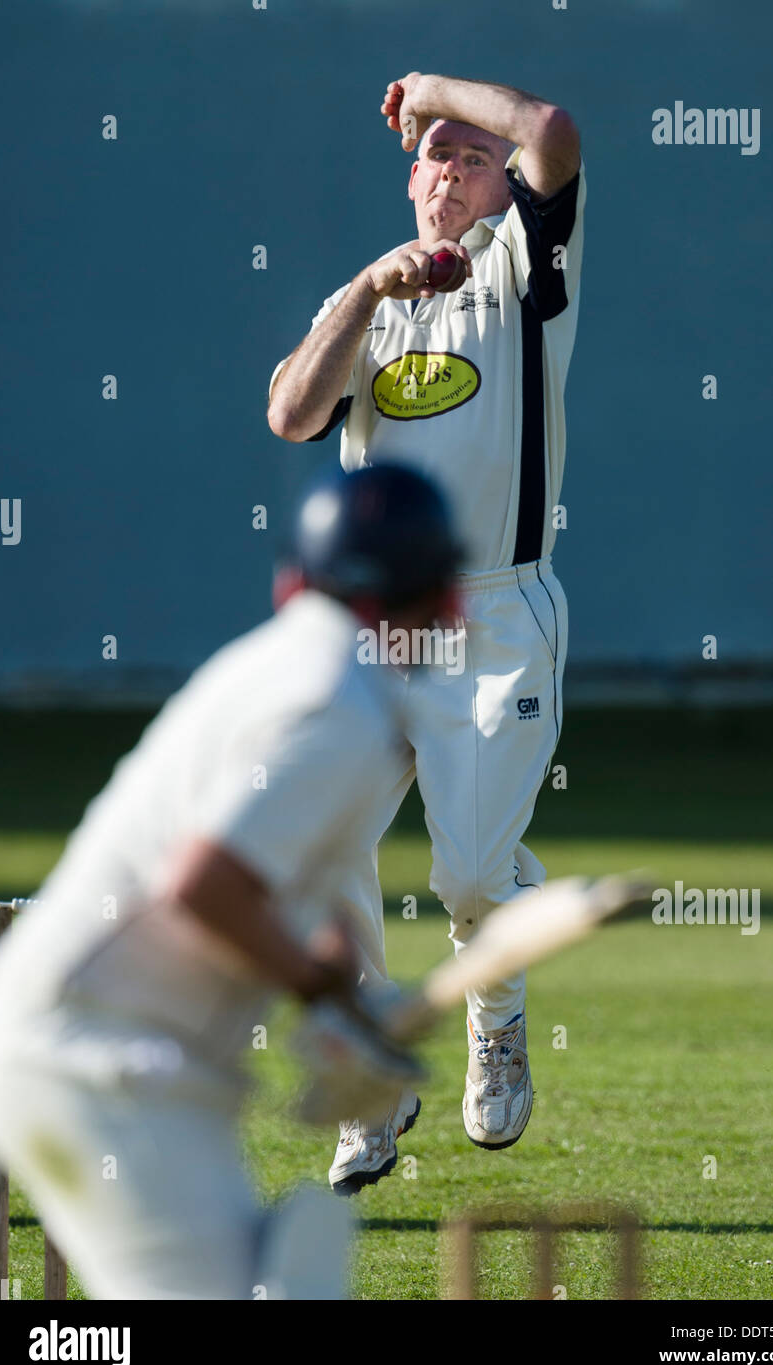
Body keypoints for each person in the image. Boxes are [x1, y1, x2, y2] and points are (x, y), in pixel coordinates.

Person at [0, 463, 462, 1298]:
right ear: (448, 599)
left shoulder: (276, 663)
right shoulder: (338, 702)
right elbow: (203, 884)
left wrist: (328, 971)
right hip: (100, 1065)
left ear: (293, 578)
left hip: (89, 1054)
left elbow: (234, 882)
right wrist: (316, 986)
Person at [268, 71, 585, 1189]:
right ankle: (373, 1078)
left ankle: (493, 1014)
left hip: (496, 614)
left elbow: (548, 128)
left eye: (471, 156)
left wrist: (429, 93)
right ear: (409, 177)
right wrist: (363, 289)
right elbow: (292, 413)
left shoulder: (525, 271)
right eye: (432, 153)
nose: (450, 168)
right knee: (323, 842)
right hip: (370, 628)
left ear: (502, 185)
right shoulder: (367, 299)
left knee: (470, 876)